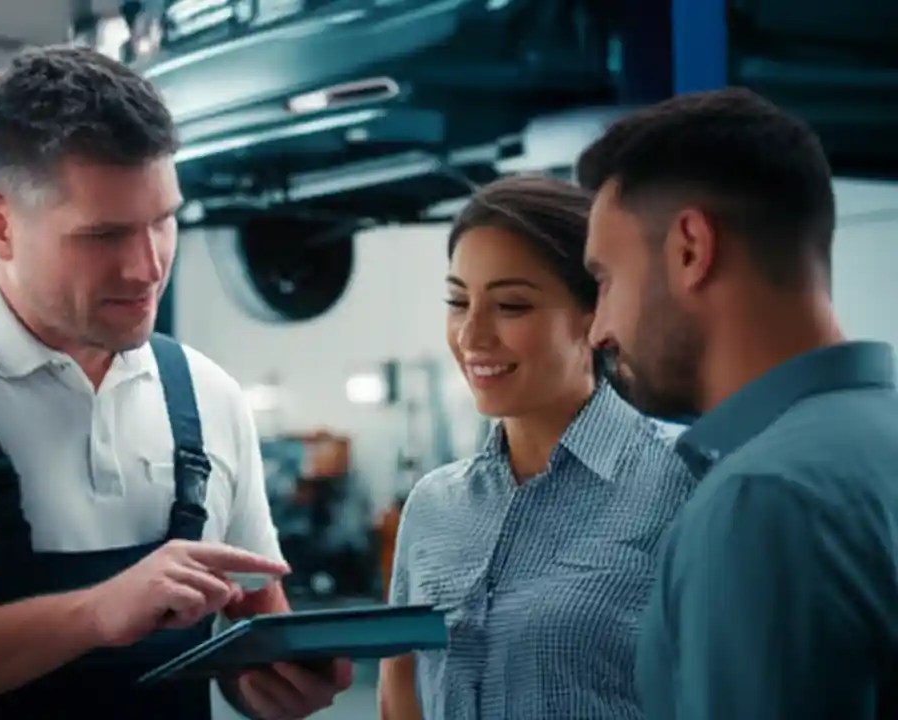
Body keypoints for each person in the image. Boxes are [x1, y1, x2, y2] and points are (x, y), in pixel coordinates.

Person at [0, 45, 352, 720]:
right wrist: (95, 614)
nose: (146, 267)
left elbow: (253, 623)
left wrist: (270, 683)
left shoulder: (206, 394)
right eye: (103, 234)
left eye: (163, 220)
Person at [578, 86, 898, 719]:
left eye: (605, 280)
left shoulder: (763, 499)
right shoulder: (875, 442)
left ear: (691, 249)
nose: (597, 331)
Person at [378, 174, 696, 720]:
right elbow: (400, 695)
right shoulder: (434, 505)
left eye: (511, 306)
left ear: (594, 315)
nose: (471, 335)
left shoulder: (686, 483)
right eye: (458, 301)